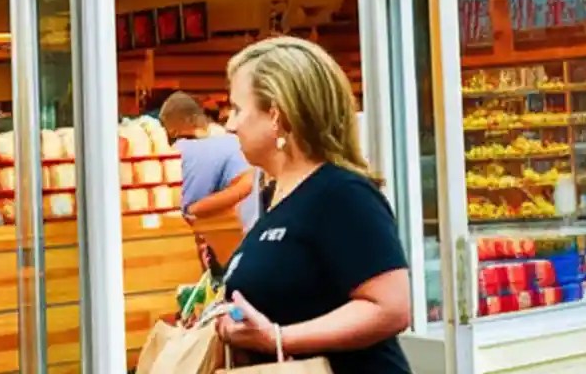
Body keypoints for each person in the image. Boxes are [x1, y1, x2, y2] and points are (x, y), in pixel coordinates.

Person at [216, 37, 411, 373]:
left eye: (237, 109)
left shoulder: (341, 193)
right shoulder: (275, 196)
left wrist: (279, 337)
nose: (229, 124)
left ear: (276, 115)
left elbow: (391, 307)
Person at [159, 91, 258, 231]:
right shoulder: (229, 142)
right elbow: (248, 182)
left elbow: (247, 183)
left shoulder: (179, 149)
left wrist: (193, 210)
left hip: (184, 223)